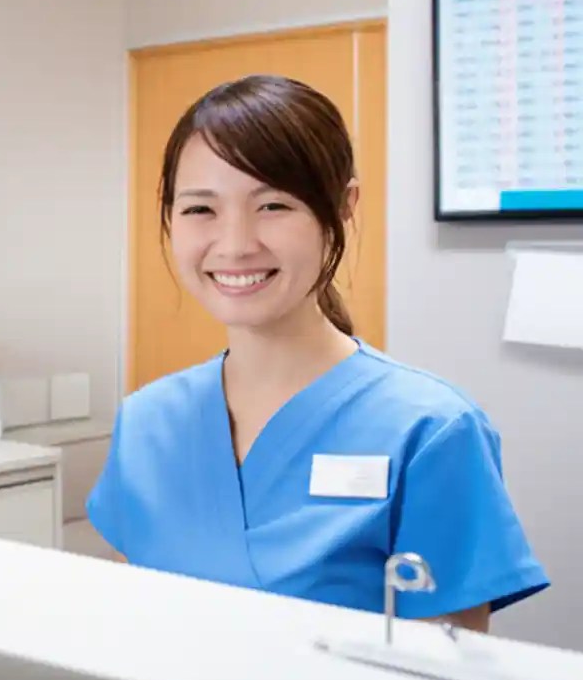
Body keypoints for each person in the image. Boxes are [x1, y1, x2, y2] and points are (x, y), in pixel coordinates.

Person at [87, 74, 548, 632]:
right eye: (200, 210)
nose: (235, 244)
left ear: (343, 206)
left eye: (274, 204)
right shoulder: (147, 422)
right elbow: (123, 632)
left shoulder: (429, 432)